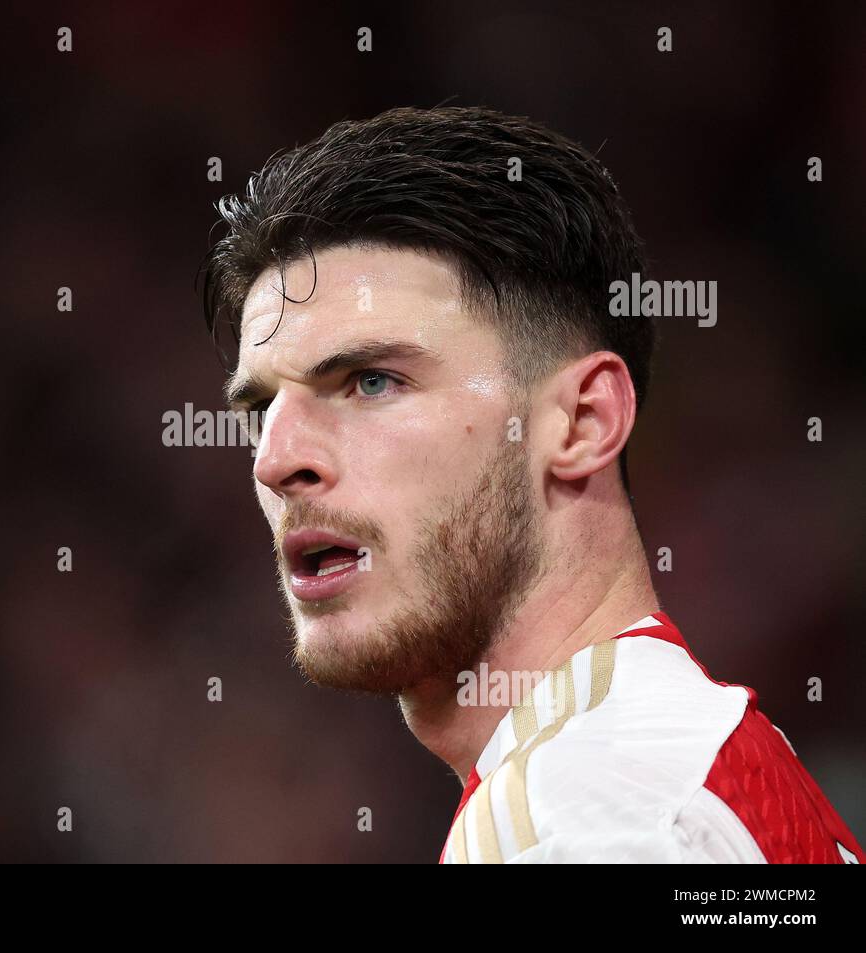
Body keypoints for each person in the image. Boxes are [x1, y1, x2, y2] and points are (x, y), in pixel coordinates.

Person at [196, 105, 862, 863]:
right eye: (261, 409)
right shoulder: (683, 760)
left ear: (581, 421)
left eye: (371, 380)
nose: (273, 459)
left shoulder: (577, 816)